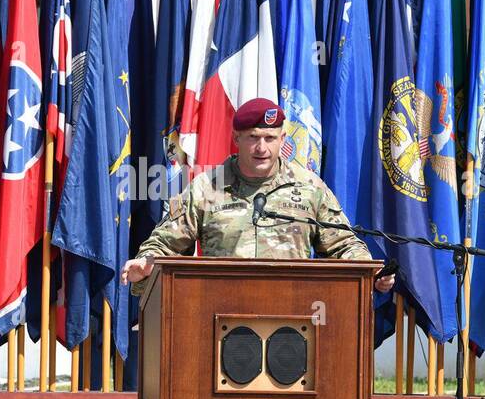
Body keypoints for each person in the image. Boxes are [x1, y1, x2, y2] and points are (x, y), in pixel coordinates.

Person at [122, 98, 397, 294]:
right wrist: (147, 262)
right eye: (253, 137)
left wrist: (367, 270)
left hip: (293, 314)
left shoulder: (309, 187)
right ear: (236, 138)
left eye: (270, 138)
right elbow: (163, 243)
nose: (261, 148)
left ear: (282, 139)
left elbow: (343, 244)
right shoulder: (207, 187)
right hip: (219, 310)